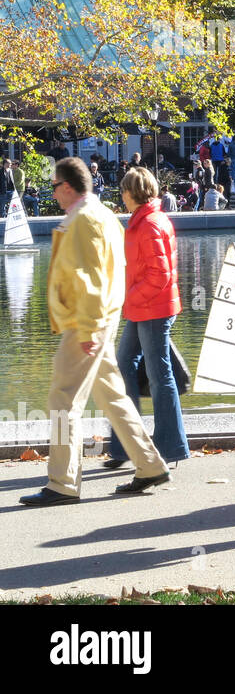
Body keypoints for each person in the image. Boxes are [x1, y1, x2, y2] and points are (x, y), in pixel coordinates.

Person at [19, 158, 170, 505]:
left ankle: (62, 483)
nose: (53, 193)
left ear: (68, 186)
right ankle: (149, 464)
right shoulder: (101, 215)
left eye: (55, 186)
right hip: (101, 320)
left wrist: (87, 328)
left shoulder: (84, 219)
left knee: (62, 401)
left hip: (85, 323)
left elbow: (90, 279)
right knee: (112, 396)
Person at [103, 168, 189, 471]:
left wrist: (129, 298)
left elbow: (160, 276)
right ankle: (129, 444)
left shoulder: (150, 224)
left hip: (154, 310)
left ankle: (169, 447)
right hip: (144, 308)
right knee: (124, 366)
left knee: (159, 376)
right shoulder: (144, 221)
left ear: (133, 192)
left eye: (123, 191)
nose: (121, 196)